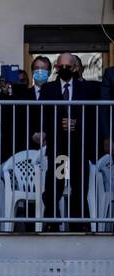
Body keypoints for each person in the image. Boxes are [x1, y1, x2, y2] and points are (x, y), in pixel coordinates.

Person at [39, 53, 102, 230]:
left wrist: (77, 123)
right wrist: (59, 123)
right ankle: (52, 222)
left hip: (79, 149)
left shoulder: (86, 89)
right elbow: (43, 116)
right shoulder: (48, 89)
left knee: (79, 188)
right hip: (59, 149)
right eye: (61, 66)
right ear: (57, 68)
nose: (65, 69)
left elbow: (92, 117)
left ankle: (77, 225)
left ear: (75, 68)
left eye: (69, 66)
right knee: (55, 186)